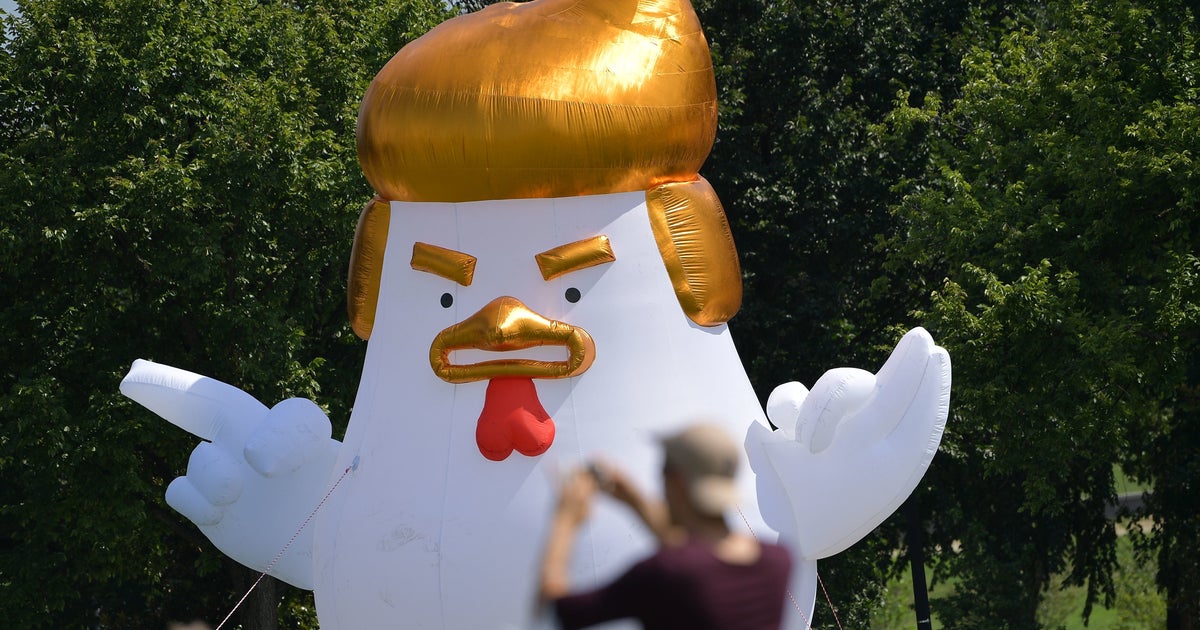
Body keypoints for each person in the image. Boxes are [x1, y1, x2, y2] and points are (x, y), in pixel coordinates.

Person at [539, 423, 793, 630]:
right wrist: (634, 501)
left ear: (677, 481)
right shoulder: (778, 561)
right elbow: (697, 555)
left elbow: (564, 610)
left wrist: (564, 519)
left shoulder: (664, 572)